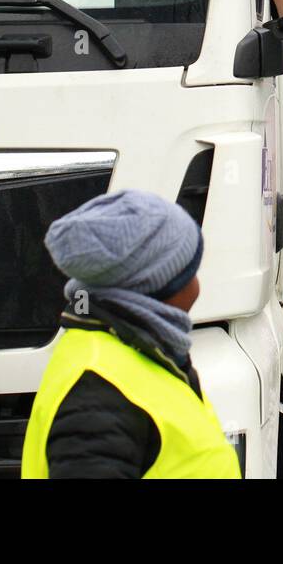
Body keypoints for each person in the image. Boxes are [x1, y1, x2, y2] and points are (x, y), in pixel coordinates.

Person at [21, 190, 240, 479]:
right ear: (162, 284)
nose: (198, 285)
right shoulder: (98, 395)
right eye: (191, 270)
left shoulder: (135, 351)